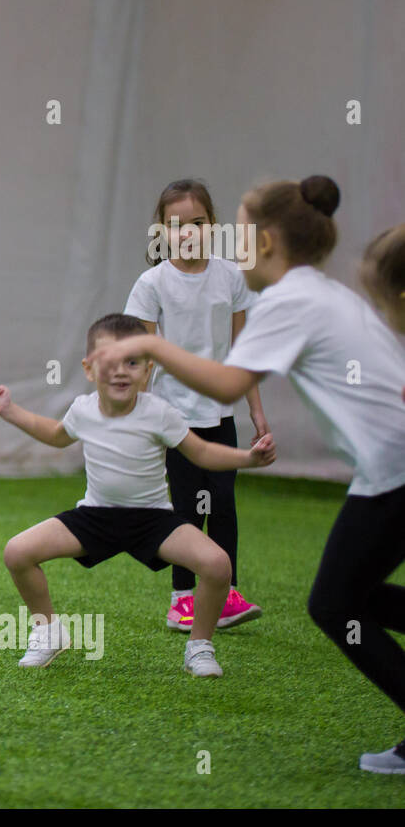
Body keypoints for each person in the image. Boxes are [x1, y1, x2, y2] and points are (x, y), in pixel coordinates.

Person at [92, 177, 405, 773]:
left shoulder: (291, 301)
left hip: (396, 472)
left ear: (262, 244)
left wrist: (150, 351)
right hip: (394, 469)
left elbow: (229, 382)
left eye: (231, 228)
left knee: (336, 602)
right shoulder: (312, 293)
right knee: (350, 596)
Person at [0, 313, 275, 676]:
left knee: (217, 565)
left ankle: (199, 646)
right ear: (89, 369)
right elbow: (56, 435)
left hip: (153, 520)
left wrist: (247, 458)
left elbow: (201, 452)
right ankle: (49, 632)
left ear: (147, 370)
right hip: (95, 517)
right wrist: (9, 410)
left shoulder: (160, 413)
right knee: (17, 552)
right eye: (109, 361)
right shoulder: (83, 409)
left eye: (132, 362)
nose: (121, 371)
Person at [125, 179, 268, 632]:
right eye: (176, 225)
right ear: (161, 232)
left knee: (223, 504)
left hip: (220, 413)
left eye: (198, 222)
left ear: (213, 225)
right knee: (187, 508)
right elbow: (144, 357)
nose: (188, 232)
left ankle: (226, 594)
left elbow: (243, 352)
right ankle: (182, 599)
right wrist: (138, 418)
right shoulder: (152, 284)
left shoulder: (231, 277)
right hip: (173, 416)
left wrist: (256, 411)